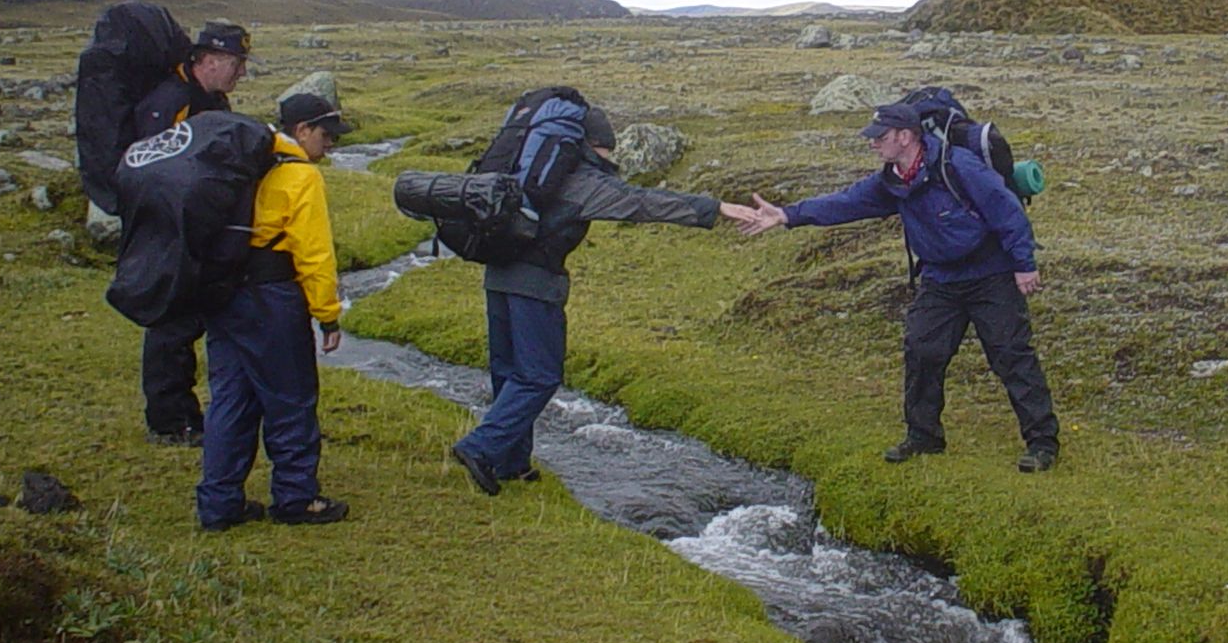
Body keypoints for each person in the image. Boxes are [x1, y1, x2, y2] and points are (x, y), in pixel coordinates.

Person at [736, 102, 1060, 472]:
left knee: (1011, 355)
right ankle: (923, 437)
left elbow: (1006, 210)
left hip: (992, 275)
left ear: (906, 137)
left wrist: (1023, 264)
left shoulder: (956, 165)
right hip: (940, 279)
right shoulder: (891, 180)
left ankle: (1042, 443)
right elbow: (847, 203)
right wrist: (787, 215)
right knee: (922, 350)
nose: (874, 144)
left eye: (881, 137)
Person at [449, 105, 753, 494]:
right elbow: (641, 203)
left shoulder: (524, 167)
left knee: (509, 373)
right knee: (540, 376)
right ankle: (480, 447)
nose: (612, 158)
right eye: (609, 150)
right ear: (596, 146)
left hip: (498, 274)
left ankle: (511, 462)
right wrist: (715, 208)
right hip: (536, 284)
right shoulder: (582, 180)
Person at [197, 92, 350, 531]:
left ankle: (219, 504)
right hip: (271, 296)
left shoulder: (244, 163)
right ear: (301, 130)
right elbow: (314, 253)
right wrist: (328, 315)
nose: (330, 145)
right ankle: (297, 497)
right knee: (291, 397)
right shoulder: (299, 176)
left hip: (223, 291)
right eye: (325, 134)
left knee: (230, 398)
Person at [132, 20, 251, 446]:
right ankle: (168, 420)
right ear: (211, 60)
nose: (241, 73)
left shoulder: (212, 101)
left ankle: (186, 414)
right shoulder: (172, 101)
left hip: (202, 230)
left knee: (192, 318)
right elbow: (152, 167)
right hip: (169, 231)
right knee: (171, 323)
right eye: (237, 64)